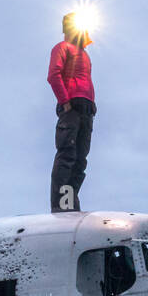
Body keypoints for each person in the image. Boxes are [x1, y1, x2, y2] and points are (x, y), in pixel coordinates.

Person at [47, 12, 96, 212]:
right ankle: (61, 206)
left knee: (80, 159)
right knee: (67, 154)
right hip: (72, 107)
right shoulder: (61, 48)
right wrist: (65, 101)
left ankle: (71, 203)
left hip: (87, 108)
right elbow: (53, 75)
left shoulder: (85, 54)